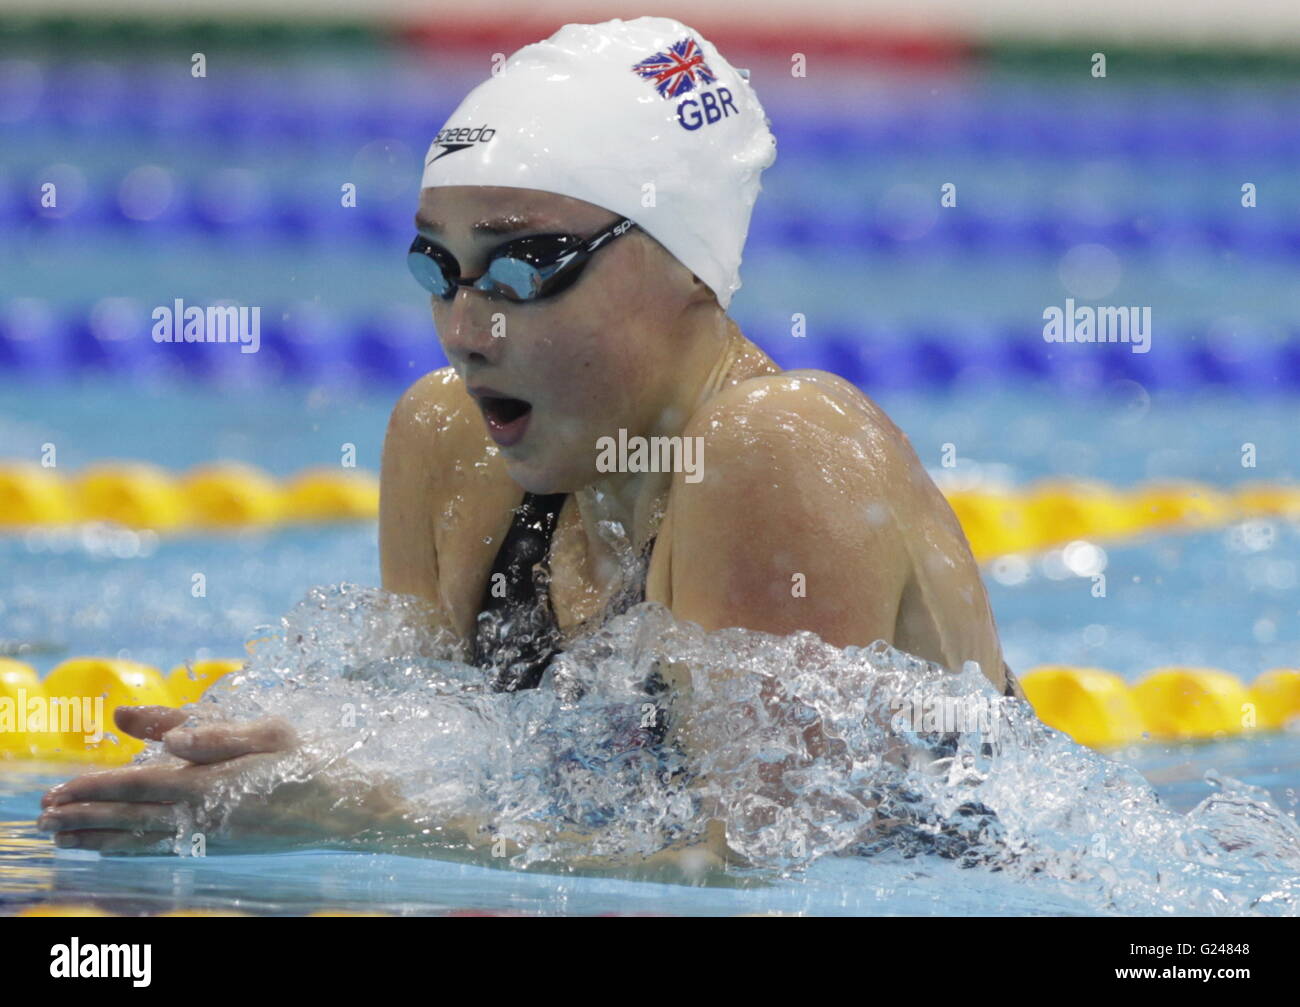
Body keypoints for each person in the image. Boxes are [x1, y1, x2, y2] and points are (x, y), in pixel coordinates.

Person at [37, 17, 1023, 867]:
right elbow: (432, 741)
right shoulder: (450, 444)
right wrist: (268, 762)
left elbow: (767, 876)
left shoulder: (776, 445)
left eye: (526, 266)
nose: (468, 327)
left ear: (690, 265)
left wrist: (365, 818)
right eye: (441, 267)